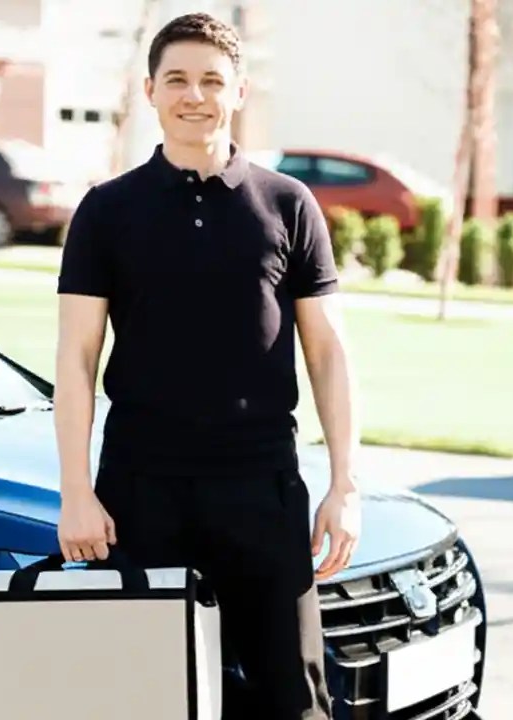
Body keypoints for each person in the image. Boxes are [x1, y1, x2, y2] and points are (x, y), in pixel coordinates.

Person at [53, 11, 360, 720]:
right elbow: (76, 359)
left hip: (263, 488)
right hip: (140, 493)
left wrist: (345, 485)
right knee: (144, 701)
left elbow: (328, 353)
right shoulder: (106, 210)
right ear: (150, 91)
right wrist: (76, 489)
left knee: (297, 702)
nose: (196, 95)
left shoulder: (288, 204)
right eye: (179, 80)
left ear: (240, 91)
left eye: (213, 80)